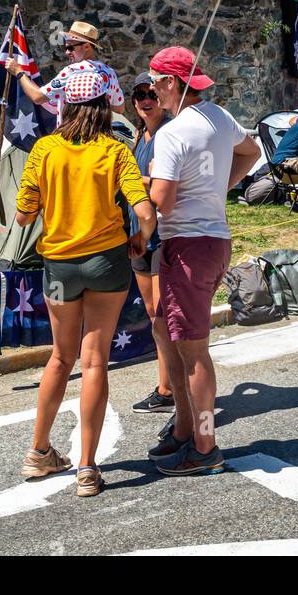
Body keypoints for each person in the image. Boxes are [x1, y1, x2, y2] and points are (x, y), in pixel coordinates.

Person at [14, 66, 155, 497]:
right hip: (107, 262)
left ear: (67, 106)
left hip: (58, 264)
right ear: (103, 105)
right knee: (94, 362)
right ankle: (87, 469)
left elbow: (23, 214)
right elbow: (146, 212)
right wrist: (139, 239)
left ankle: (39, 452)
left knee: (60, 357)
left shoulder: (45, 149)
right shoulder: (115, 151)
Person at [145, 46, 260, 476]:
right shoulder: (219, 117)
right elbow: (250, 152)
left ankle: (206, 444)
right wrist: (217, 188)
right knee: (166, 329)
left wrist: (150, 179)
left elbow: (163, 201)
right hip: (213, 241)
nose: (153, 90)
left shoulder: (172, 134)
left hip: (188, 244)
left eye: (156, 81)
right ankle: (185, 426)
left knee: (194, 352)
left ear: (173, 83)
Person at [127, 72, 174, 416]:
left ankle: (171, 388)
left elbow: (165, 184)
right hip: (139, 236)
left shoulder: (169, 135)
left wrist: (129, 177)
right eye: (139, 95)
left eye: (151, 94)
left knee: (164, 316)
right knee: (153, 315)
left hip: (163, 235)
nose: (146, 100)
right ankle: (167, 386)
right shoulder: (139, 136)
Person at [8, 19, 125, 120]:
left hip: (74, 138)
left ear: (87, 47)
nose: (67, 52)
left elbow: (38, 97)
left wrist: (19, 72)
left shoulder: (73, 71)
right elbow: (119, 108)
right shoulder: (110, 72)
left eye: (70, 48)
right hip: (101, 139)